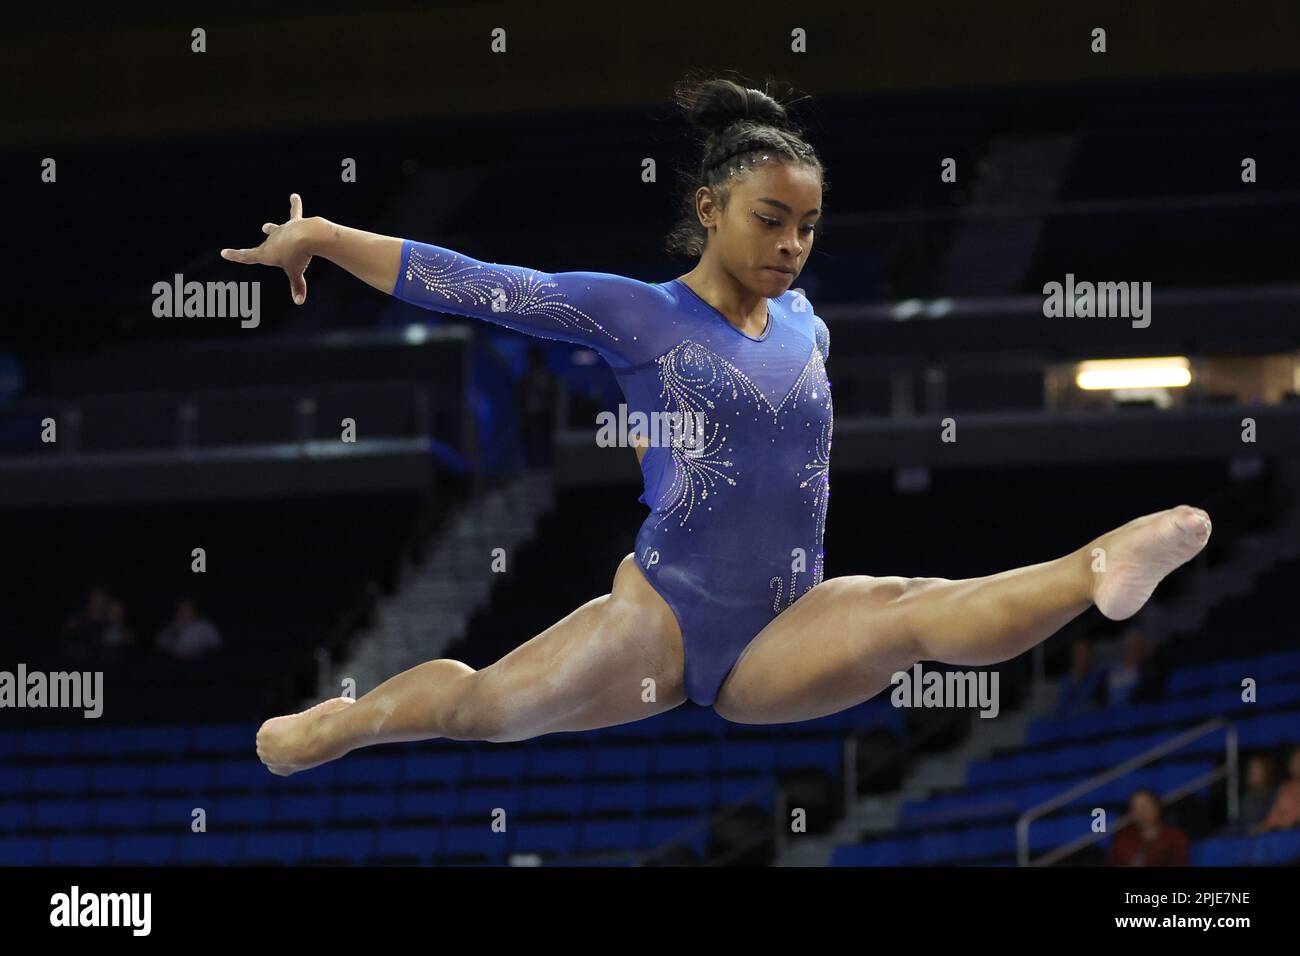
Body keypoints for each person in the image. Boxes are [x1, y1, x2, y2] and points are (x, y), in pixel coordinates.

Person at [220, 74, 1214, 776]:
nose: (791, 244)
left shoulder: (807, 321)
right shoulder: (637, 313)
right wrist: (322, 235)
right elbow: (478, 285)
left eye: (808, 225)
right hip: (661, 613)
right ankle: (340, 726)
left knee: (914, 609)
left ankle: (1097, 565)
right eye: (769, 218)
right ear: (708, 207)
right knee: (486, 710)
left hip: (787, 621)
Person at [1107, 789, 1190, 866]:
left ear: (1157, 808)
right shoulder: (1123, 836)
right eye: (1136, 808)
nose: (1141, 812)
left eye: (1145, 807)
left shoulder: (1176, 836)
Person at [517, 345, 558, 469]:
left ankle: (548, 467)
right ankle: (533, 467)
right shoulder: (525, 377)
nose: (534, 361)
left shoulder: (547, 376)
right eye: (532, 358)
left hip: (544, 413)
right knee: (531, 442)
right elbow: (520, 395)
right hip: (530, 413)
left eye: (536, 358)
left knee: (545, 441)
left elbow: (552, 394)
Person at [1250, 744, 1300, 834]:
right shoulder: (1286, 788)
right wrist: (1265, 825)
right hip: (1280, 833)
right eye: (1294, 760)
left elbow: (1294, 819)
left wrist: (1283, 823)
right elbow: (1275, 814)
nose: (1296, 764)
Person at [155, 597, 223, 661]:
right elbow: (160, 643)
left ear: (194, 610)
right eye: (182, 608)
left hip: (199, 660)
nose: (184, 611)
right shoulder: (173, 625)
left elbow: (216, 644)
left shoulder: (205, 625)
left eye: (188, 608)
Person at [1054, 638, 1106, 719]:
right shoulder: (1066, 681)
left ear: (1090, 655)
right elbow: (1060, 707)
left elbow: (1097, 703)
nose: (1081, 657)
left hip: (1092, 719)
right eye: (1078, 654)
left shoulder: (1099, 676)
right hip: (1068, 722)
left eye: (1084, 654)